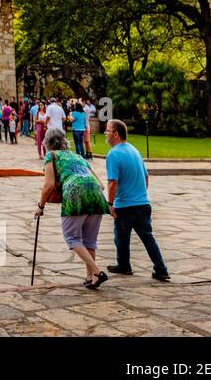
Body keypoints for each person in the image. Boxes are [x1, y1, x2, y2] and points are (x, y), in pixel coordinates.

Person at [36, 129, 110, 289]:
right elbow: (101, 185)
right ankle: (90, 277)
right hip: (96, 195)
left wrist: (41, 206)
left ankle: (96, 271)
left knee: (72, 237)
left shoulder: (51, 156)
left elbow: (48, 185)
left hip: (75, 194)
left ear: (47, 143)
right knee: (89, 240)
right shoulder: (78, 156)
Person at [104, 120, 170, 281]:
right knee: (148, 238)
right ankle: (161, 269)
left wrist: (110, 204)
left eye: (107, 131)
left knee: (121, 236)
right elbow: (146, 177)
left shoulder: (113, 154)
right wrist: (139, 194)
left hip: (125, 205)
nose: (105, 133)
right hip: (142, 203)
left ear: (116, 134)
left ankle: (124, 265)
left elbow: (113, 182)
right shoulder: (135, 150)